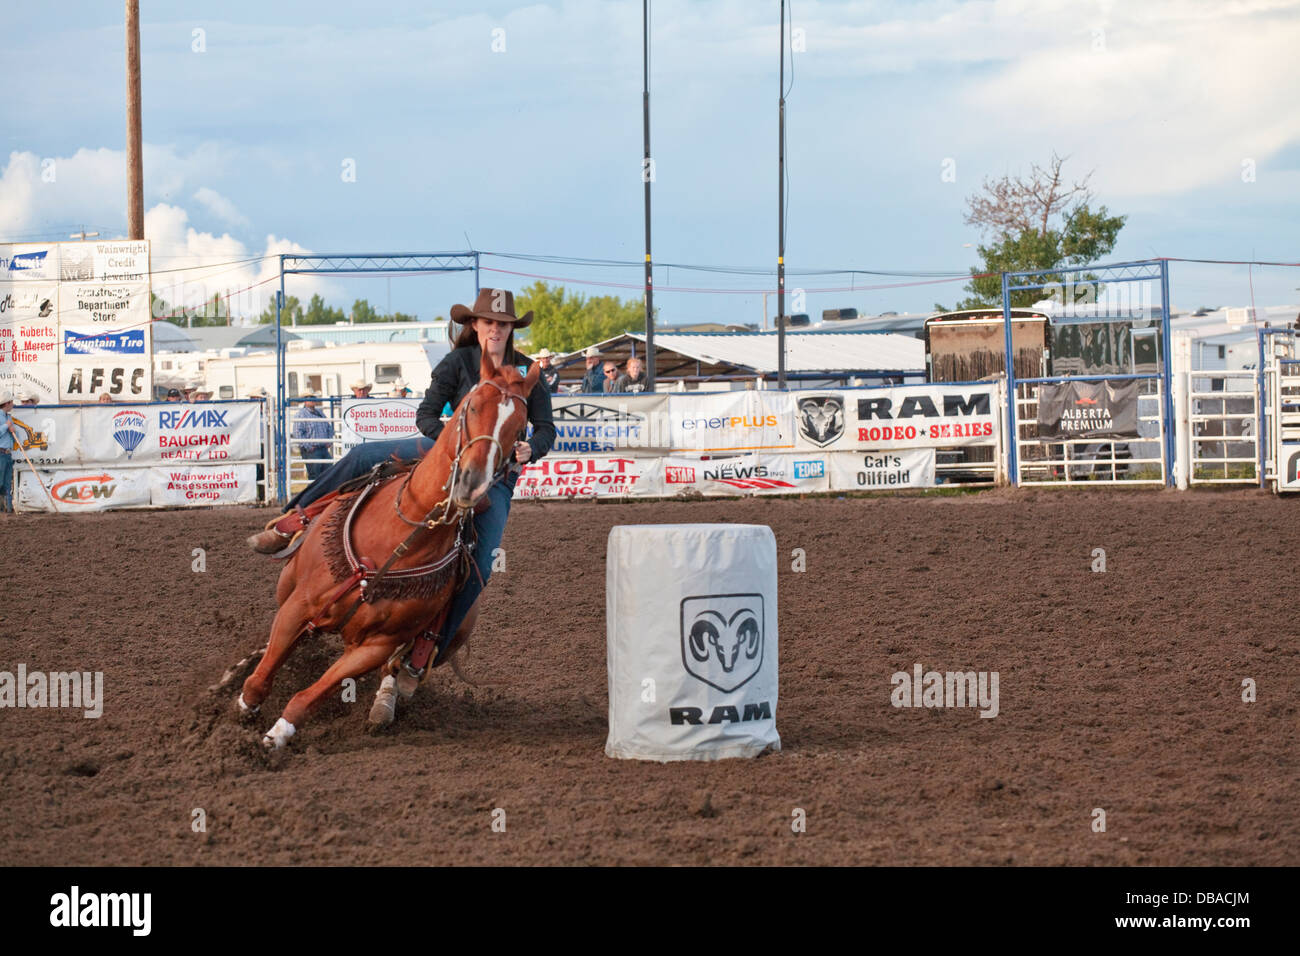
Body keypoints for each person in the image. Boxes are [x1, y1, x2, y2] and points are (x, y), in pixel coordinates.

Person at [247, 288, 555, 669]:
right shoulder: (457, 363)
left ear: (512, 329)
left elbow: (546, 429)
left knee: (483, 565)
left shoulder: (527, 374)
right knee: (362, 455)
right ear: (475, 325)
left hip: (495, 476)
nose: (496, 330)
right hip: (439, 454)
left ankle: (423, 652)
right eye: (489, 322)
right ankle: (294, 519)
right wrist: (449, 438)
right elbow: (425, 414)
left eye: (503, 324)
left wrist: (531, 449)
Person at [292, 392, 332, 480]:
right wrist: (309, 447)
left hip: (323, 448)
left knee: (329, 473)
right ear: (304, 401)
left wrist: (329, 441)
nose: (312, 399)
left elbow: (329, 427)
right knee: (315, 475)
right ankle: (315, 493)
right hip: (311, 450)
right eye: (309, 397)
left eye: (313, 397)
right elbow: (297, 433)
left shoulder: (320, 412)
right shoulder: (301, 414)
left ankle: (324, 493)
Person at [0, 390, 15, 513]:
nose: (13, 405)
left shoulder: (8, 417)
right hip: (1, 453)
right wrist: (6, 426)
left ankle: (8, 509)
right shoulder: (3, 418)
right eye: (12, 402)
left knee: (7, 483)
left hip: (7, 453)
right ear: (7, 403)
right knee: (1, 482)